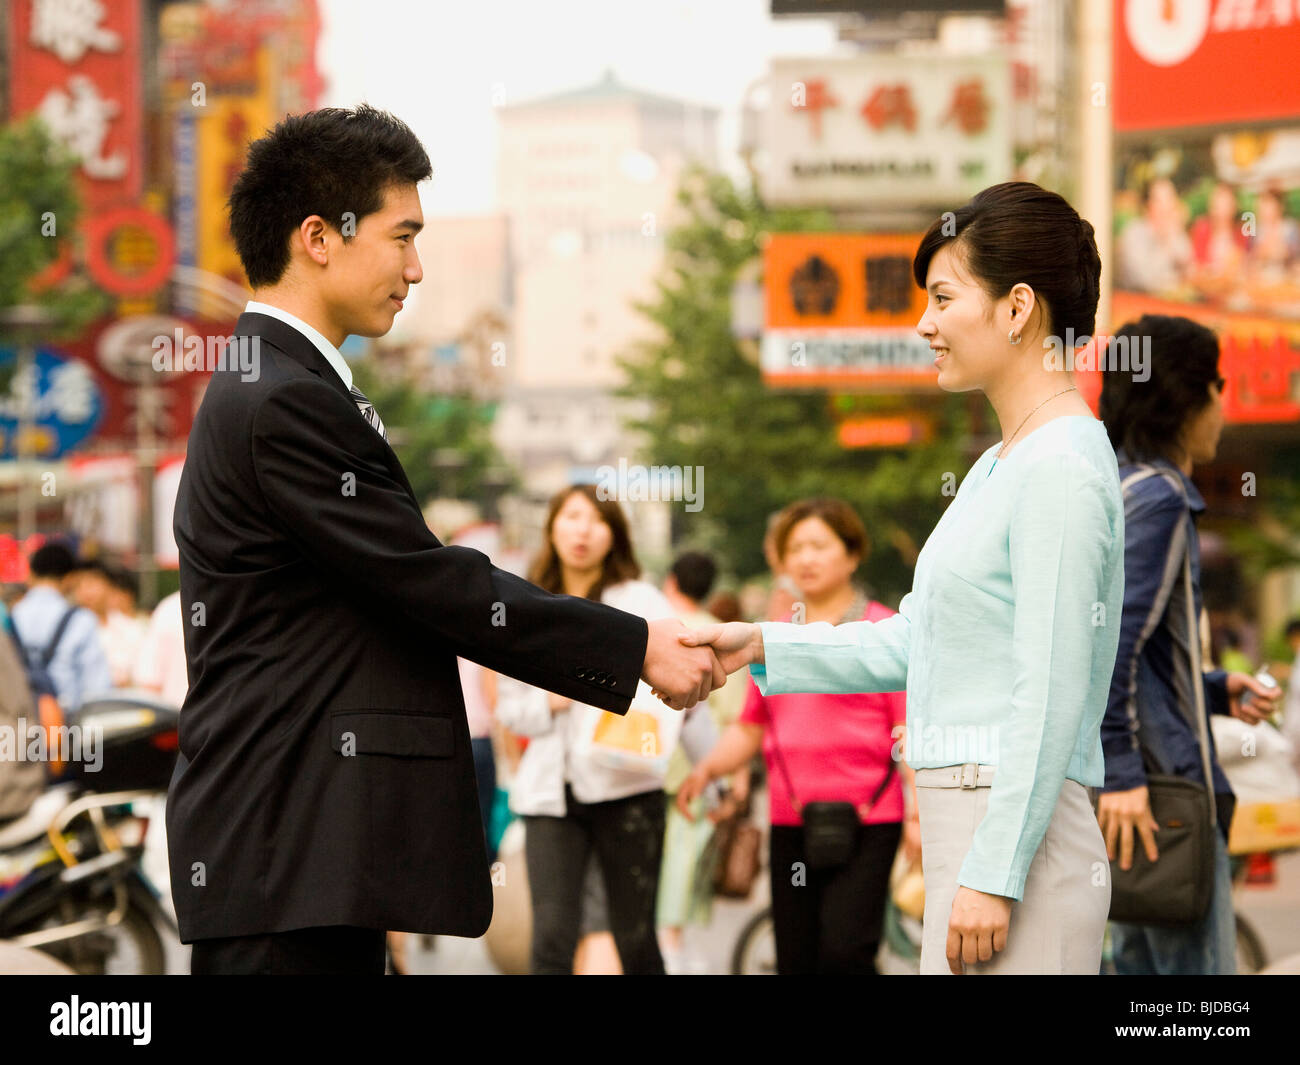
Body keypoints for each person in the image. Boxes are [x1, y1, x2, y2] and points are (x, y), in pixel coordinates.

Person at [166, 106, 722, 976]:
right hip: (291, 846)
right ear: (320, 236)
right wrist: (634, 645)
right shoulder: (283, 399)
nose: (416, 269)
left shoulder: (272, 382)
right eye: (403, 237)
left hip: (298, 849)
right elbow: (429, 581)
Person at [675, 182, 1123, 975]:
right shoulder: (1001, 462)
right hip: (979, 833)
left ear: (1018, 308)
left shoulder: (1058, 467)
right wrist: (761, 644)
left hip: (1013, 844)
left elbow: (1050, 691)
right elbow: (917, 637)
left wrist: (994, 872)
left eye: (944, 298)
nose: (925, 324)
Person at [1096, 314, 1280, 975]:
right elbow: (1112, 640)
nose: (1223, 400)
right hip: (1163, 791)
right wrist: (1123, 772)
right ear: (1185, 397)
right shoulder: (1163, 496)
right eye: (1216, 382)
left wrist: (1211, 688)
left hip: (1137, 786)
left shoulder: (1113, 487)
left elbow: (1126, 644)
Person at [679, 499, 914, 973]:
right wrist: (706, 770)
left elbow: (907, 731)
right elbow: (749, 728)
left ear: (852, 554)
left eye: (820, 546)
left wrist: (917, 815)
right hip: (791, 819)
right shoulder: (770, 638)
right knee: (796, 955)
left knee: (847, 952)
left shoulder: (887, 631)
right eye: (795, 548)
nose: (806, 558)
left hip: (871, 820)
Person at [494, 485, 696, 974]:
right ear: (552, 528)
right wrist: (555, 701)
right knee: (551, 941)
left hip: (628, 786)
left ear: (615, 535)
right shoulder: (526, 603)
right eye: (571, 517)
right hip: (549, 795)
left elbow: (677, 683)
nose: (582, 530)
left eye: (597, 520)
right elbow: (511, 708)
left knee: (634, 939)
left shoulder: (640, 600)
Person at [656, 550, 747, 972]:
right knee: (682, 872)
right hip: (702, 774)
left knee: (658, 874)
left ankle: (669, 955)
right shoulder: (723, 635)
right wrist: (736, 784)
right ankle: (673, 952)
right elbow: (736, 720)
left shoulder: (654, 628)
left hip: (646, 771)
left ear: (671, 581)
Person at [10, 543, 112, 715]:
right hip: (67, 726)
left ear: (32, 574)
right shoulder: (81, 620)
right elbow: (97, 687)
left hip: (20, 726)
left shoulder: (11, 617)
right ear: (70, 578)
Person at [1117, 177, 1193, 296]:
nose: (1166, 206)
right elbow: (1142, 280)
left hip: (1171, 305)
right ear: (1149, 204)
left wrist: (1173, 234)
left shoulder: (1176, 232)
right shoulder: (1134, 233)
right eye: (1160, 200)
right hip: (1138, 303)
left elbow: (1189, 270)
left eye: (1170, 199)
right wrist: (1164, 243)